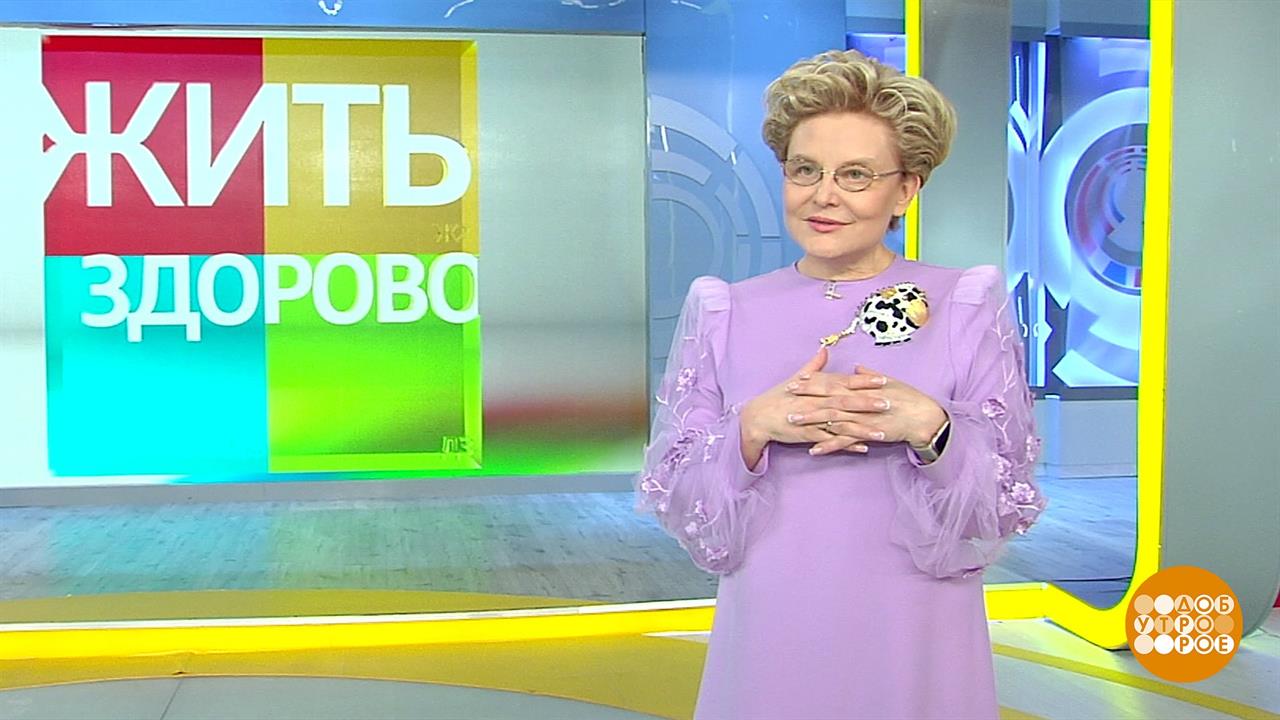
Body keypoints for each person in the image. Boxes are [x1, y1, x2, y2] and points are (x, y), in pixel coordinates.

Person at [635, 49, 1048, 720]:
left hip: (916, 625)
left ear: (905, 190)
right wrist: (750, 429)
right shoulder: (723, 309)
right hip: (773, 622)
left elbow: (1004, 502)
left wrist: (930, 428)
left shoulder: (966, 303)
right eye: (805, 170)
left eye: (855, 174)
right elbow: (678, 497)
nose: (823, 195)